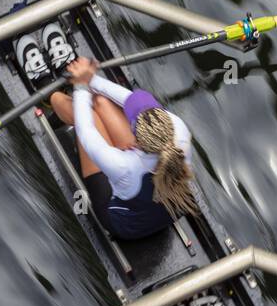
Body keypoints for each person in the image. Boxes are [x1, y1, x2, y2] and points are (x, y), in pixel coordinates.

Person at [48, 57, 197, 240]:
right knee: (102, 101)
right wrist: (89, 78)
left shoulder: (124, 167)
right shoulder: (178, 127)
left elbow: (86, 129)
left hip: (126, 226)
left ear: (137, 140)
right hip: (171, 208)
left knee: (80, 110)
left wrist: (80, 87)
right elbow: (128, 98)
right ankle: (76, 94)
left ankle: (51, 94)